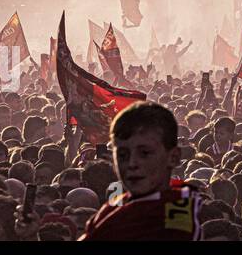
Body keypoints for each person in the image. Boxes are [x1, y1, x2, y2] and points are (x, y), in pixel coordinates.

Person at [80, 102, 203, 240]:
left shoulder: (177, 211)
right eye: (122, 155)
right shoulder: (111, 210)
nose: (132, 164)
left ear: (173, 157)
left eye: (144, 153)